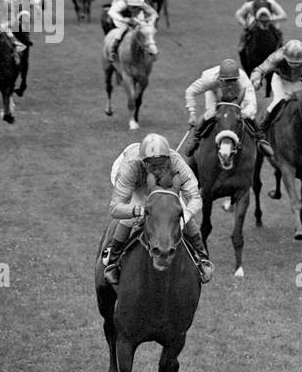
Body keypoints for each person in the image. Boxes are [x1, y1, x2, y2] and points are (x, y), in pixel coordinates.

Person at [102, 133, 212, 285]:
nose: (158, 169)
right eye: (152, 165)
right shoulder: (131, 165)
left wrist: (185, 215)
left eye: (162, 164)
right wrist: (137, 210)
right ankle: (112, 262)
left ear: (168, 159)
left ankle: (202, 258)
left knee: (179, 206)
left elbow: (195, 197)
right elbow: (114, 208)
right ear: (144, 163)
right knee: (136, 210)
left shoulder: (176, 162)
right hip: (133, 179)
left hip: (163, 183)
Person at [179, 57, 273, 162]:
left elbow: (251, 103)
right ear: (220, 79)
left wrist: (245, 112)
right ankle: (195, 139)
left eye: (233, 81)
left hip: (236, 97)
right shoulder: (210, 80)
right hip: (215, 93)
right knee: (211, 113)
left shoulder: (243, 80)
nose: (230, 85)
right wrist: (192, 113)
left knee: (247, 115)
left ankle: (260, 139)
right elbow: (190, 91)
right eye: (227, 81)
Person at [249, 40, 302, 134]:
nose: (294, 66)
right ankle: (263, 126)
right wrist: (256, 80)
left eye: (297, 63)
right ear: (284, 57)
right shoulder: (278, 56)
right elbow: (260, 69)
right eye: (291, 63)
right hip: (281, 79)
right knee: (278, 101)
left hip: (301, 78)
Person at [104, 0, 159, 67]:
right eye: (134, 7)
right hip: (121, 18)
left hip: (136, 18)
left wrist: (151, 22)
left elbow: (154, 13)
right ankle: (113, 51)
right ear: (129, 5)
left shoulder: (140, 3)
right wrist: (124, 20)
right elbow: (111, 12)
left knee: (145, 31)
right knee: (123, 29)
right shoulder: (122, 3)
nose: (136, 9)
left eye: (138, 7)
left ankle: (150, 50)